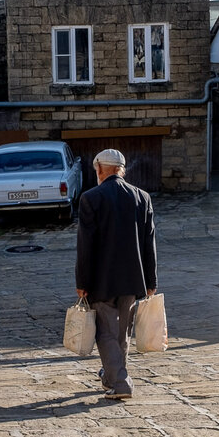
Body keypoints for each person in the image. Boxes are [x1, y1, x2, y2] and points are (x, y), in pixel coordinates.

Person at [75, 148, 157, 400]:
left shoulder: (91, 198)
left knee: (105, 332)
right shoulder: (142, 197)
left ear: (99, 169)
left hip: (102, 279)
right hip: (133, 279)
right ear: (122, 169)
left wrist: (82, 281)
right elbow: (149, 242)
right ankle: (111, 377)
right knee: (122, 332)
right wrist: (151, 280)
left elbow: (86, 245)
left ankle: (120, 383)